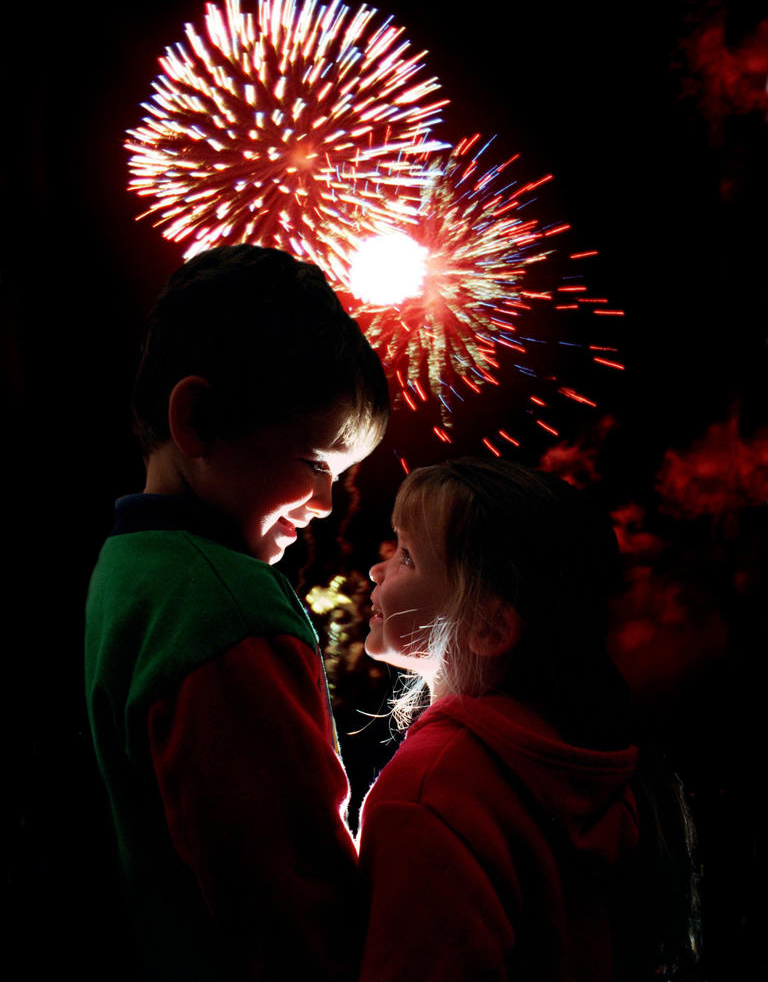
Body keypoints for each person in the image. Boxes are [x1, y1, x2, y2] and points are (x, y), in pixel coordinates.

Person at [85, 244, 389, 981]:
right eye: (316, 464)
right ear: (197, 419)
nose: (324, 506)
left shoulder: (126, 568)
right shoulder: (229, 607)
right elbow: (292, 900)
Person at [358, 458, 699, 982]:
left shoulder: (427, 792)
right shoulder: (596, 771)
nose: (378, 569)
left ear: (490, 628)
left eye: (407, 556)